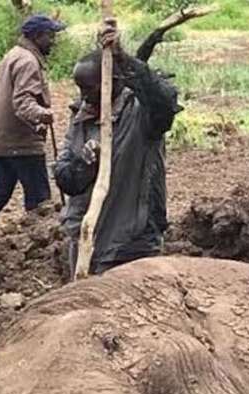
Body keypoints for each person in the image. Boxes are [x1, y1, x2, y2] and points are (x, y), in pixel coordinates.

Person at [55, 20, 182, 277]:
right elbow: (65, 178)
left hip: (129, 244)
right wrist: (84, 164)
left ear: (112, 81)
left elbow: (165, 105)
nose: (83, 96)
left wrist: (123, 58)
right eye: (79, 88)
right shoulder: (80, 118)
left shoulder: (141, 114)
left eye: (89, 88)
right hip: (85, 240)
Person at [0, 14, 66, 224]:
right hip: (21, 143)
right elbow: (22, 103)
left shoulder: (13, 55)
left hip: (2, 139)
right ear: (37, 36)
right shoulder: (28, 61)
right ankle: (41, 243)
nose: (53, 41)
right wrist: (44, 115)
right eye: (50, 36)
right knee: (40, 202)